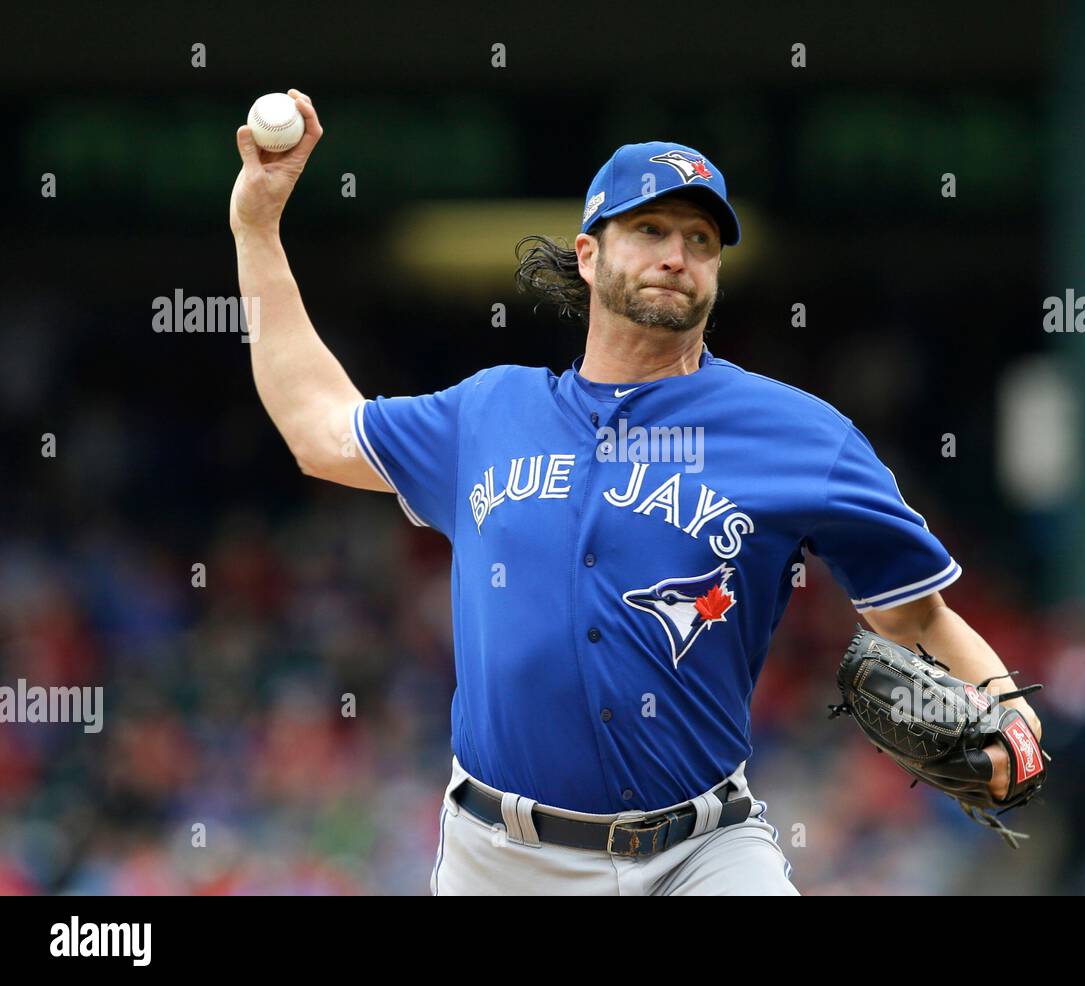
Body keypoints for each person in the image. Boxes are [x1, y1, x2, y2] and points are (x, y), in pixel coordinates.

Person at [229, 89, 1043, 896]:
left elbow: (916, 617)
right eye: (649, 230)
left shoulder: (798, 434)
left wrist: (1014, 719)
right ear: (589, 255)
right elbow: (317, 428)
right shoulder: (488, 414)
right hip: (501, 859)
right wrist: (256, 228)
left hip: (705, 852)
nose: (676, 255)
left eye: (700, 239)